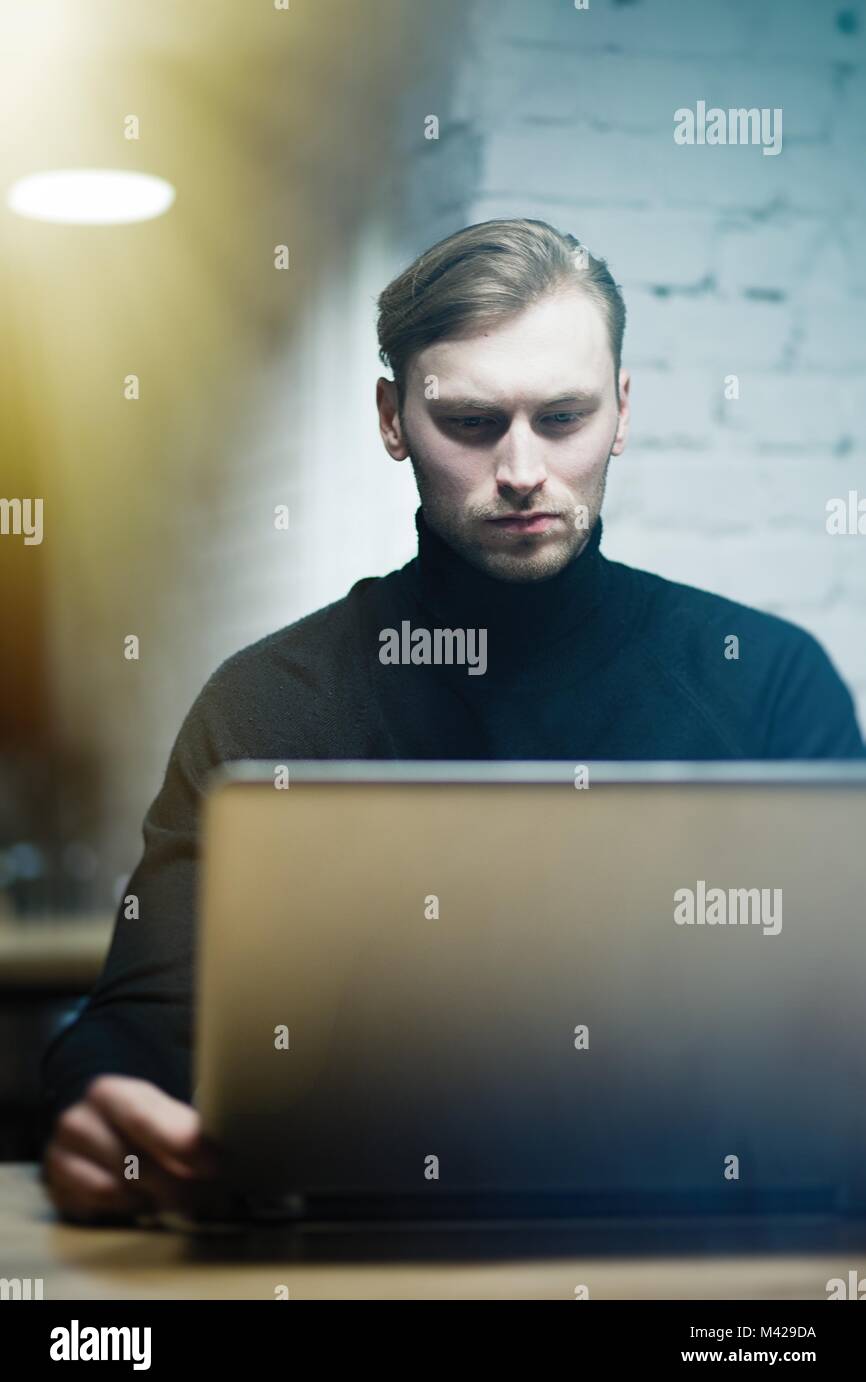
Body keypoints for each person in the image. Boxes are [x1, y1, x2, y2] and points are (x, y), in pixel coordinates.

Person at [40, 218, 865, 1222]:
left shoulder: (769, 686)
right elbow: (139, 1025)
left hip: (701, 1270)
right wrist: (98, 1114)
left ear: (621, 410)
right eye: (470, 423)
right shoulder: (266, 705)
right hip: (352, 1274)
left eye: (561, 418)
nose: (521, 469)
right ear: (392, 419)